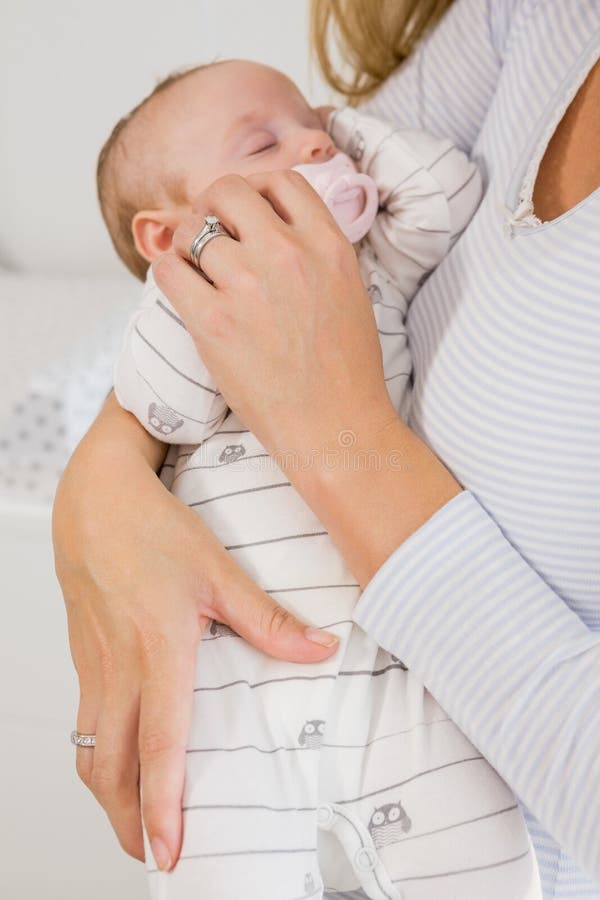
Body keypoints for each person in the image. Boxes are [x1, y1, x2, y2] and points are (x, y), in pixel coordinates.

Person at [52, 1, 600, 898]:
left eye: (315, 132)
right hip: (246, 671)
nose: (311, 149)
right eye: (266, 145)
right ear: (166, 239)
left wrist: (325, 144)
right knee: (213, 847)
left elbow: (444, 188)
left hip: (411, 693)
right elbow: (158, 401)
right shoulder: (536, 17)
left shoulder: (378, 257)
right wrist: (99, 489)